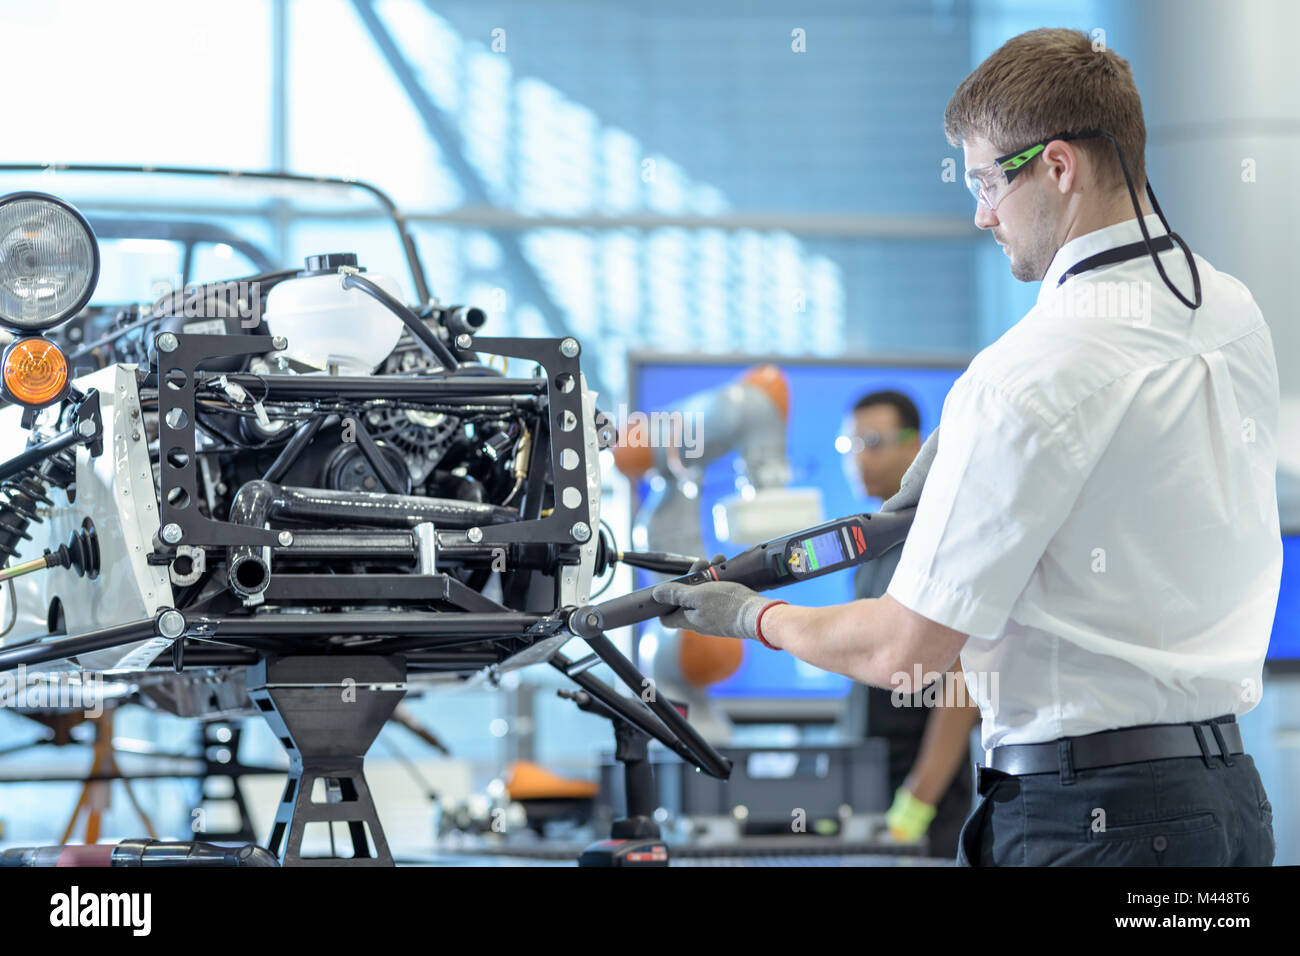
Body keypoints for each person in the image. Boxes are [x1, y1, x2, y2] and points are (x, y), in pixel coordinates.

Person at [654, 28, 1279, 866]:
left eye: (988, 180)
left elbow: (903, 650)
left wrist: (755, 616)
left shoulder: (1023, 373)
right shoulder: (1233, 311)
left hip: (1088, 817)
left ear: (1058, 166)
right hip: (1228, 807)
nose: (982, 212)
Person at [841, 389, 978, 859]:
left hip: (927, 802)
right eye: (853, 444)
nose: (862, 458)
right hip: (870, 789)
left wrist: (918, 799)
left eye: (874, 441)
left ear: (914, 444)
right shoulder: (873, 548)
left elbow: (963, 682)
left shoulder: (935, 539)